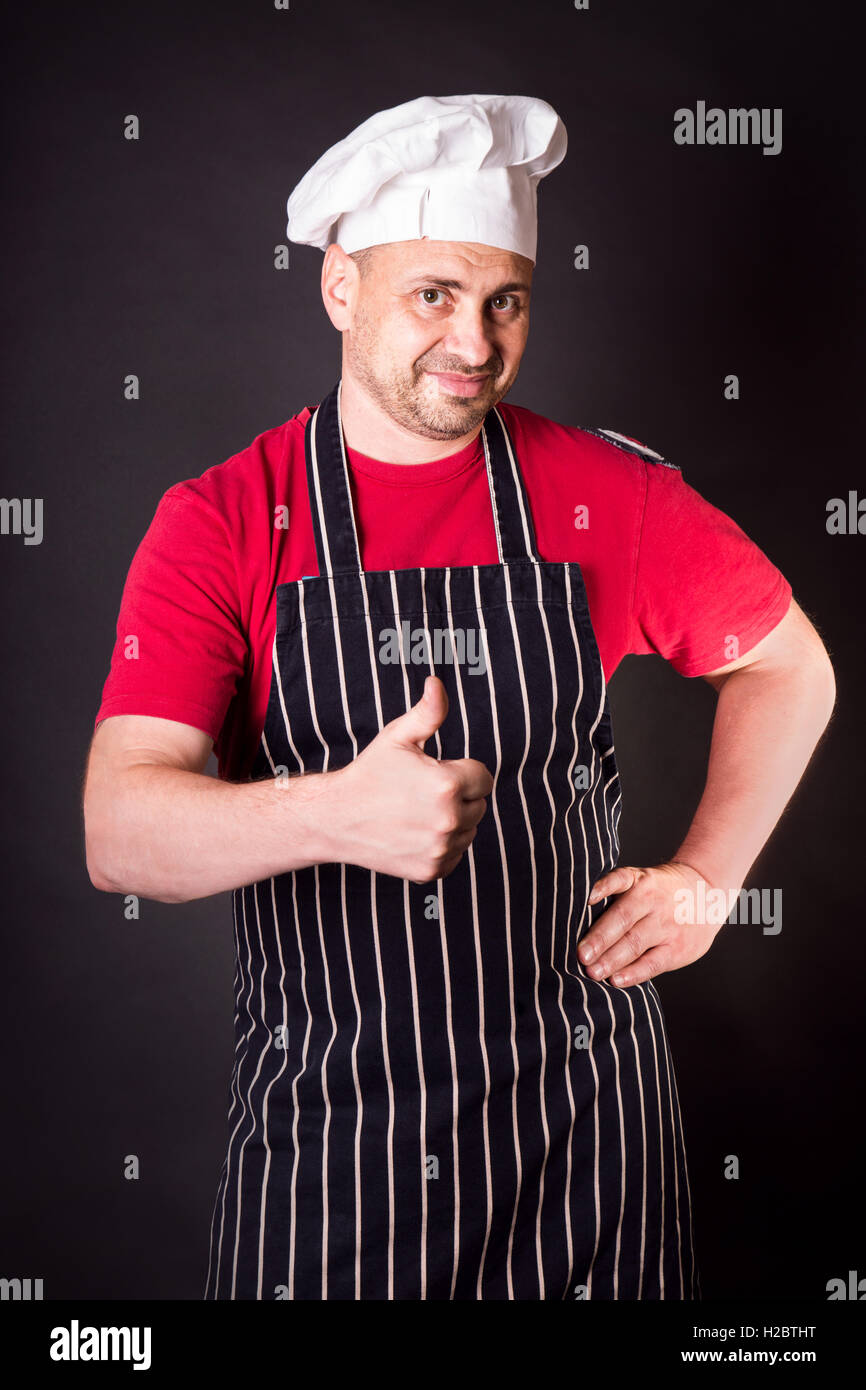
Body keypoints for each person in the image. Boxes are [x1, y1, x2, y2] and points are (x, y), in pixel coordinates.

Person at [82, 93, 835, 1301]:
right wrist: (329, 814)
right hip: (329, 1151)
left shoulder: (607, 495)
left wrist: (708, 879)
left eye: (504, 301)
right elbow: (118, 833)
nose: (472, 343)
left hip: (586, 1142)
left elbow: (788, 663)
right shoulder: (222, 519)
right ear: (341, 287)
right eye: (431, 293)